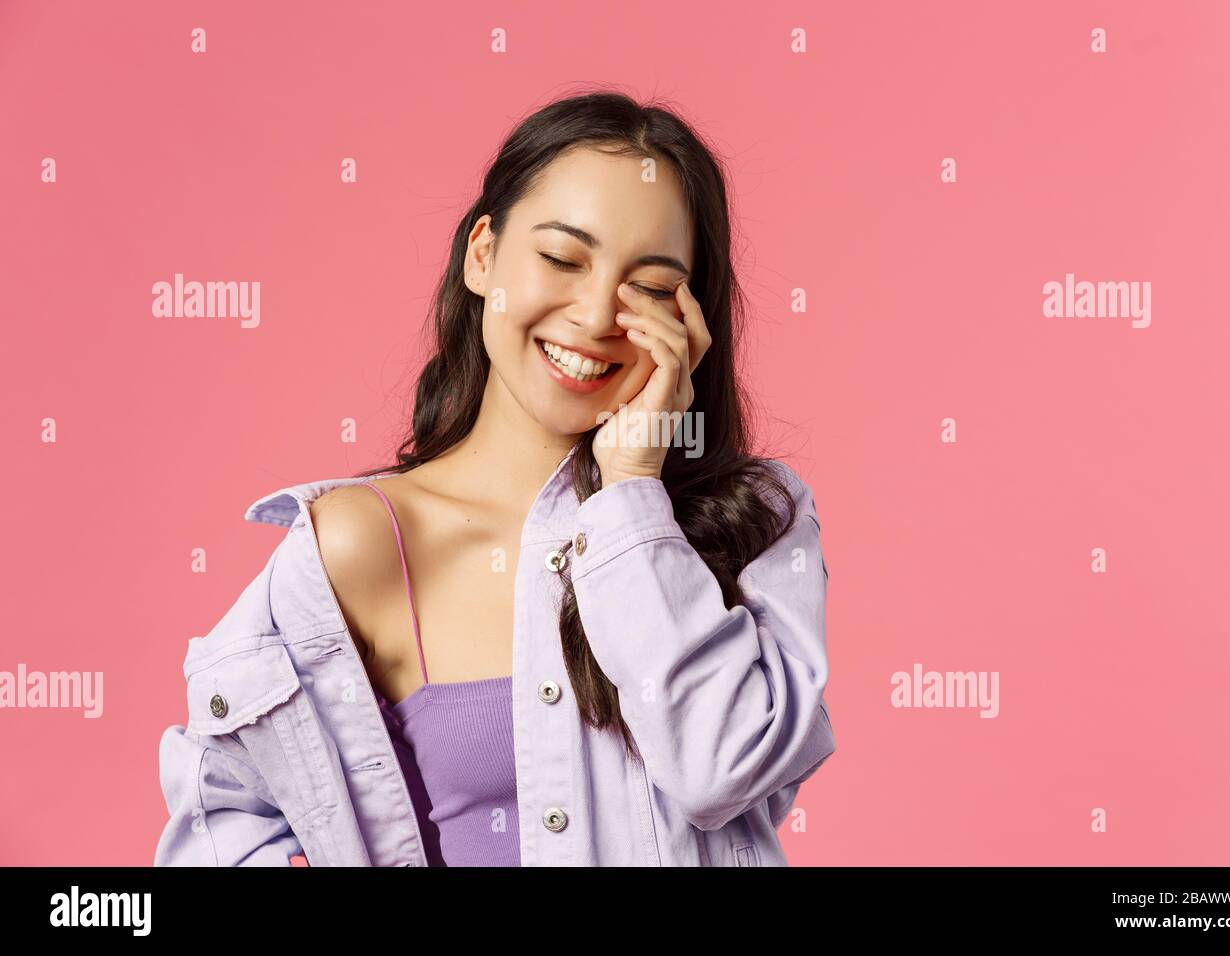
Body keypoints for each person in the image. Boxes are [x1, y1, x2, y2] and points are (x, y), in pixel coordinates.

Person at [154, 88, 835, 867]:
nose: (596, 316)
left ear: (689, 319)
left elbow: (725, 768)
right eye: (561, 258)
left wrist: (633, 492)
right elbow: (221, 816)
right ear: (483, 256)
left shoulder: (754, 520)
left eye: (647, 285)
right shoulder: (366, 540)